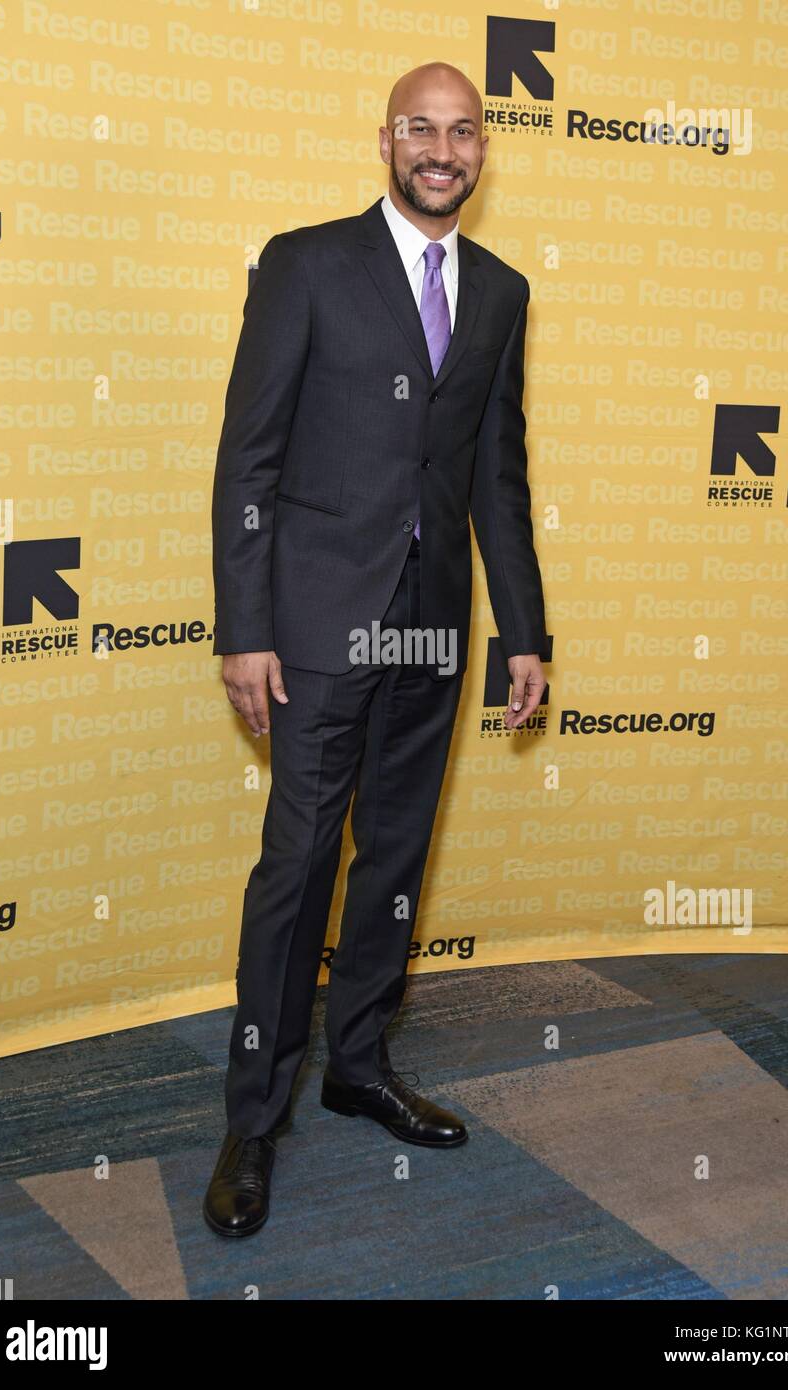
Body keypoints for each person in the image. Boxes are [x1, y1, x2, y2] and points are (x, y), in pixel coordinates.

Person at [204, 61, 550, 1237]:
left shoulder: (498, 292)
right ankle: (253, 1118)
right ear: (386, 140)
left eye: (462, 131)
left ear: (483, 150)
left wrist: (523, 628)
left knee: (393, 858)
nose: (440, 149)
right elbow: (246, 459)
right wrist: (244, 628)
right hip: (310, 625)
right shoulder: (305, 263)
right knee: (298, 865)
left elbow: (495, 475)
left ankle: (357, 1064)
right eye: (421, 128)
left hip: (431, 623)